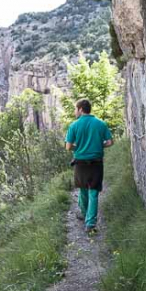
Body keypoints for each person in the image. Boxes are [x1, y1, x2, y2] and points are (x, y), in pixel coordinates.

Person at [65, 98, 113, 234]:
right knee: (93, 192)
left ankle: (86, 214)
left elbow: (68, 146)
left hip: (80, 164)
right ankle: (90, 223)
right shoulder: (100, 124)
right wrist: (98, 145)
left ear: (80, 109)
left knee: (83, 190)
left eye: (76, 109)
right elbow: (110, 142)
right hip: (96, 163)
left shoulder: (74, 125)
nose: (75, 111)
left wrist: (79, 147)